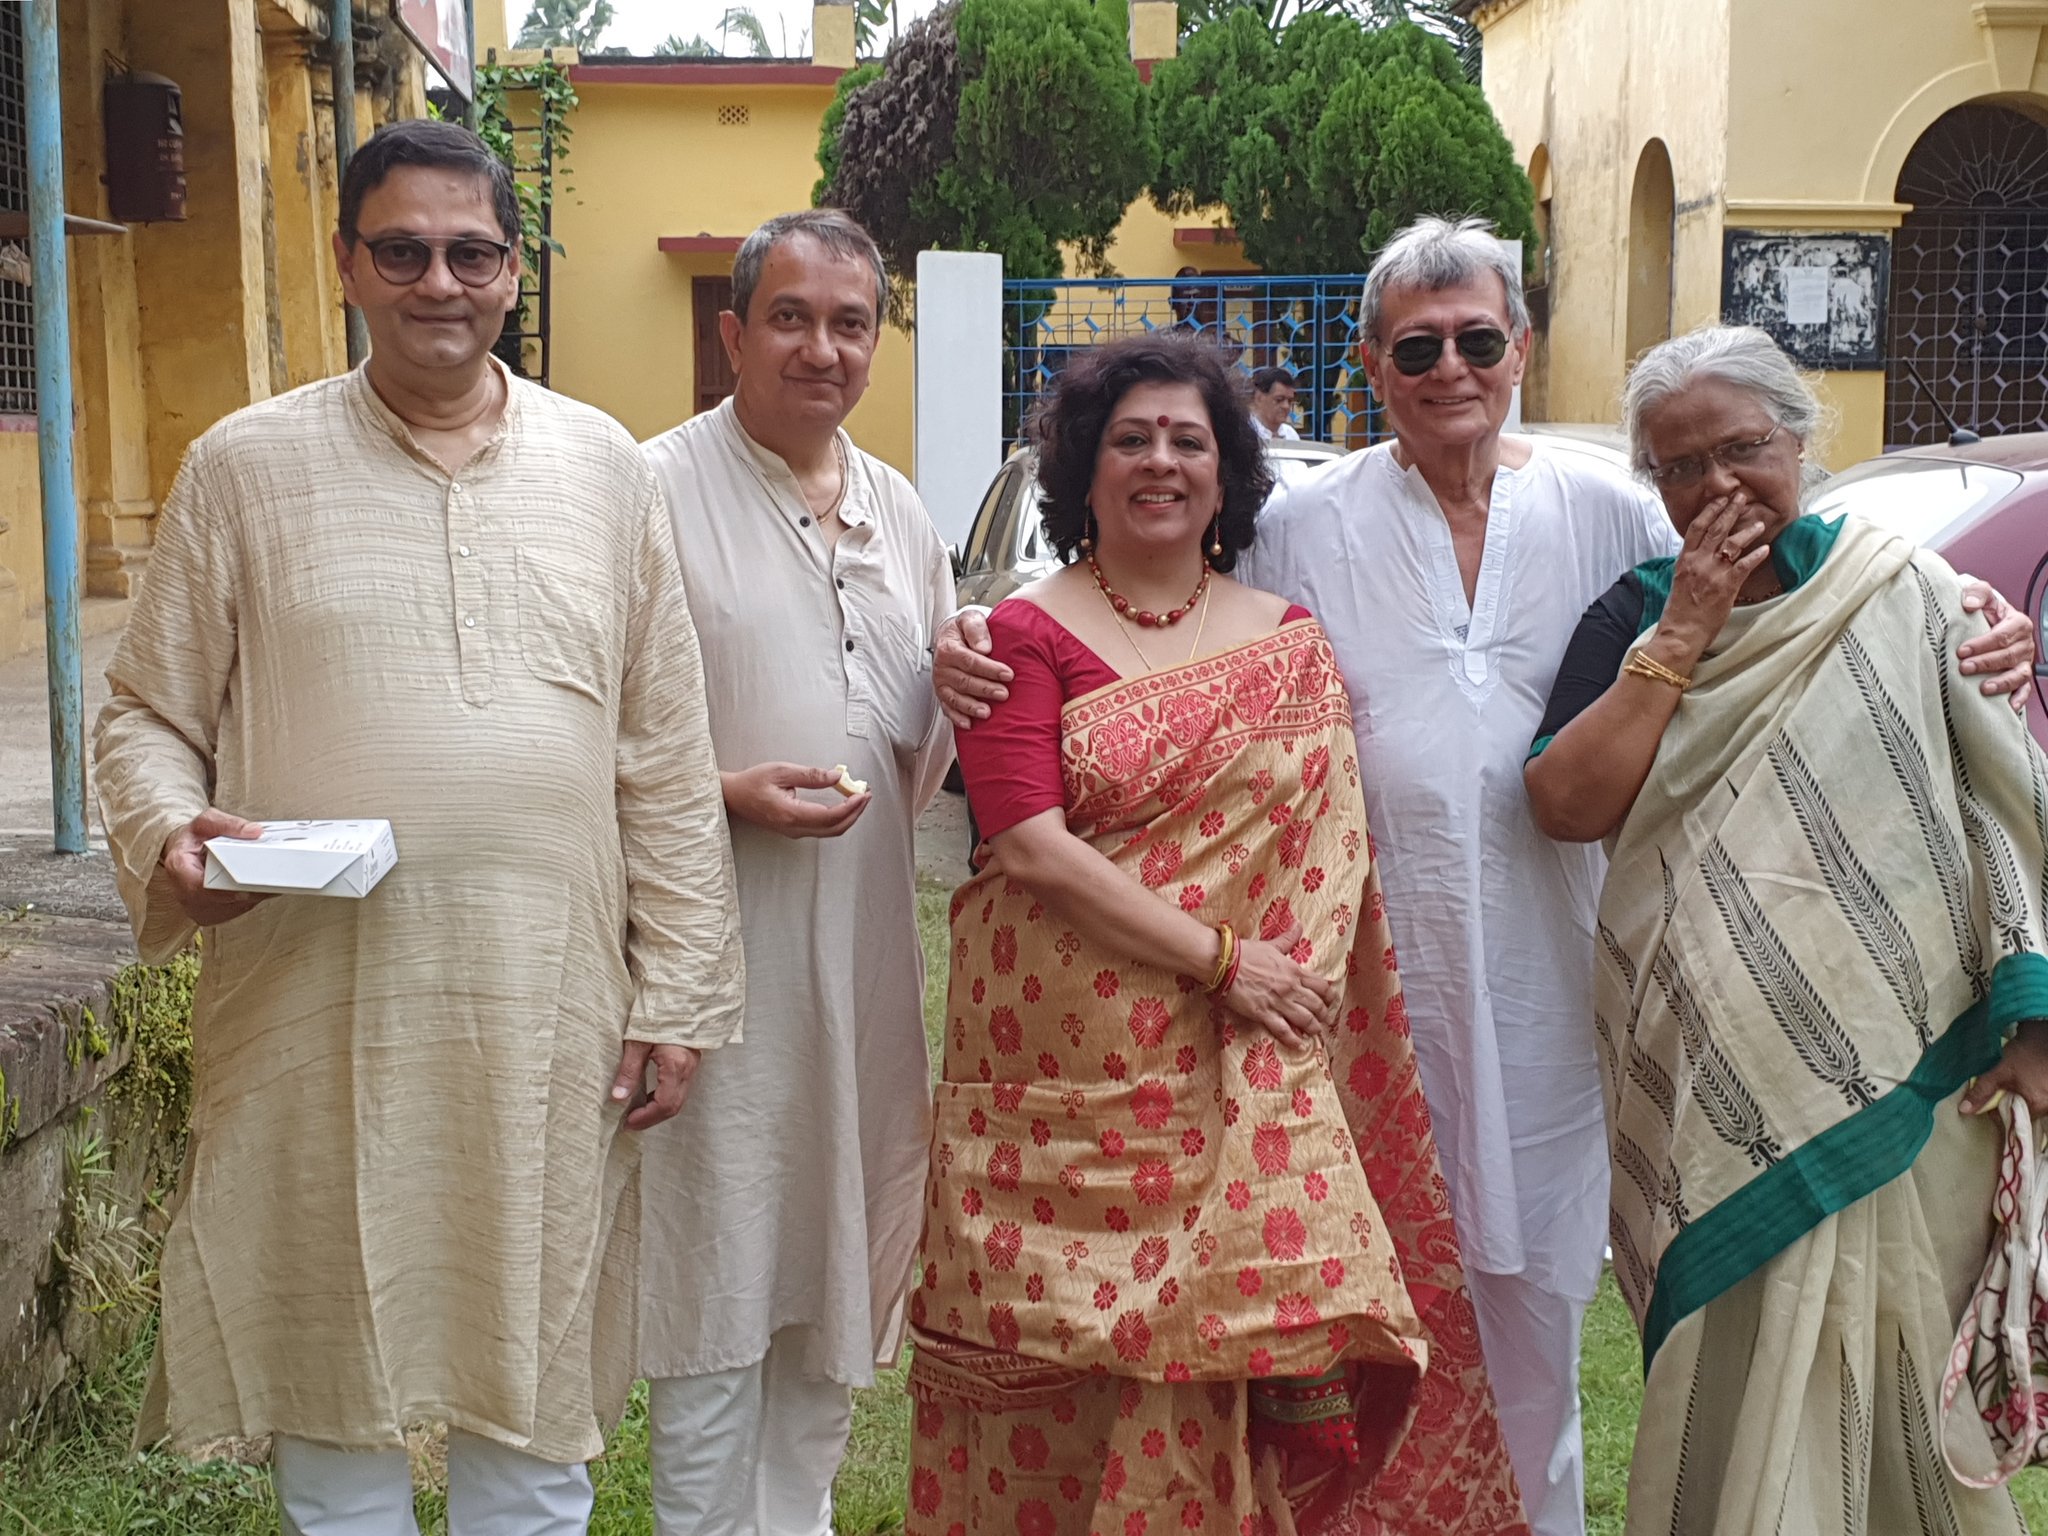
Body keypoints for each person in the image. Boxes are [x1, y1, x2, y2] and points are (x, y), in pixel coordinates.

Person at [934, 216, 2040, 1536]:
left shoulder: (1611, 509)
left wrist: (1976, 617)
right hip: (1351, 1020)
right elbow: (1146, 606)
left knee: (1535, 1338)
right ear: (1371, 364)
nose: (1449, 368)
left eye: (1475, 339)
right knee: (1361, 1335)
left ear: (1521, 348)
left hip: (1559, 1003)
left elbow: (1789, 596)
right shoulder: (1302, 530)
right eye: (1416, 347)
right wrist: (962, 640)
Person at [91, 119, 746, 1532]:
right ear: (347, 265)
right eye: (403, 250)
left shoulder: (604, 470)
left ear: (517, 271)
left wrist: (679, 990)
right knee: (334, 1349)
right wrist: (169, 837)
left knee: (534, 1363)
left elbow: (667, 758)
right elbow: (145, 710)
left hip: (548, 999)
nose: (439, 280)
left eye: (473, 252)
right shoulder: (242, 469)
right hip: (313, 1000)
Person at [908, 332, 1527, 1536]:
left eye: (1186, 441)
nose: (1158, 463)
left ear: (1223, 474)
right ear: (1081, 470)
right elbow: (1027, 844)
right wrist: (1224, 964)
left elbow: (1321, 861)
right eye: (1128, 439)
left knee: (1214, 1367)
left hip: (1232, 1080)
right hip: (1064, 1090)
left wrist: (1249, 990)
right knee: (1061, 1385)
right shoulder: (1015, 638)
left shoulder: (1286, 640)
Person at [1523, 324, 2048, 1534]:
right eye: (1677, 466)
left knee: (1902, 1365)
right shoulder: (1635, 612)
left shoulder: (1903, 591)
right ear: (1649, 484)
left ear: (1798, 446)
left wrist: (2028, 1030)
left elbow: (2000, 810)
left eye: (1740, 450)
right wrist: (1687, 625)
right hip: (1713, 1073)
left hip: (1912, 1077)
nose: (1713, 486)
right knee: (1732, 1359)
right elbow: (1563, 803)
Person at [636, 209, 956, 1536]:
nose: (820, 350)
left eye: (850, 322)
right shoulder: (644, 491)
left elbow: (922, 746)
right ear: (731, 333)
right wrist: (723, 794)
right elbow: (578, 735)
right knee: (714, 1286)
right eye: (790, 317)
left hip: (863, 967)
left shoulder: (901, 510)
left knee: (833, 1283)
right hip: (709, 972)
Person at [1250, 365, 1301, 440]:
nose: (1286, 406)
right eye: (1279, 400)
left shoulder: (1290, 434)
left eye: (1290, 401)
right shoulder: (1245, 433)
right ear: (1259, 398)